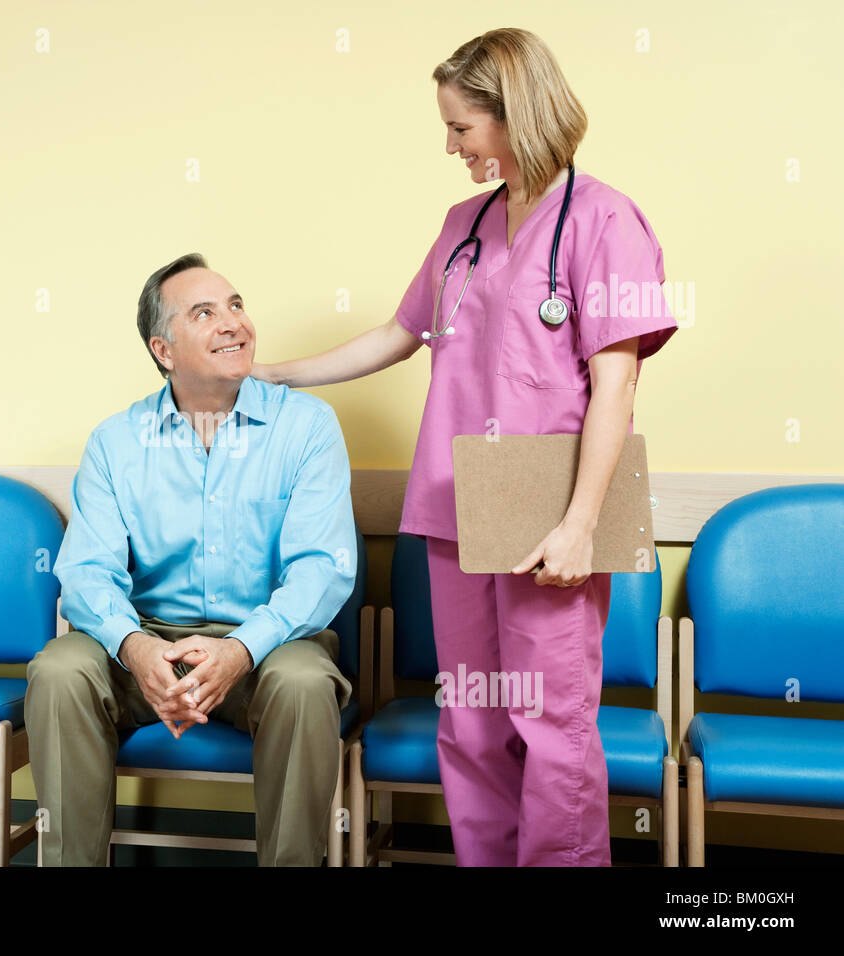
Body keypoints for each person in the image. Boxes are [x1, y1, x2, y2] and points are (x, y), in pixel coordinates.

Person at [252, 28, 678, 866]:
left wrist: (580, 524)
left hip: (547, 501)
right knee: (473, 718)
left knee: (551, 726)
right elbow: (397, 335)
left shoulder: (603, 220)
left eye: (461, 128)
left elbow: (617, 385)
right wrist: (271, 373)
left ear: (513, 112)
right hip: (454, 498)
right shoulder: (464, 223)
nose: (450, 146)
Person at [26, 253, 358, 866]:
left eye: (236, 305)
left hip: (267, 648)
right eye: (205, 313)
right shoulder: (115, 442)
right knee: (60, 668)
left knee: (305, 681)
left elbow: (322, 568)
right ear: (164, 349)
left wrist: (240, 650)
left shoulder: (308, 427)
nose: (233, 322)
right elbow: (85, 572)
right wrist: (137, 649)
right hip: (147, 647)